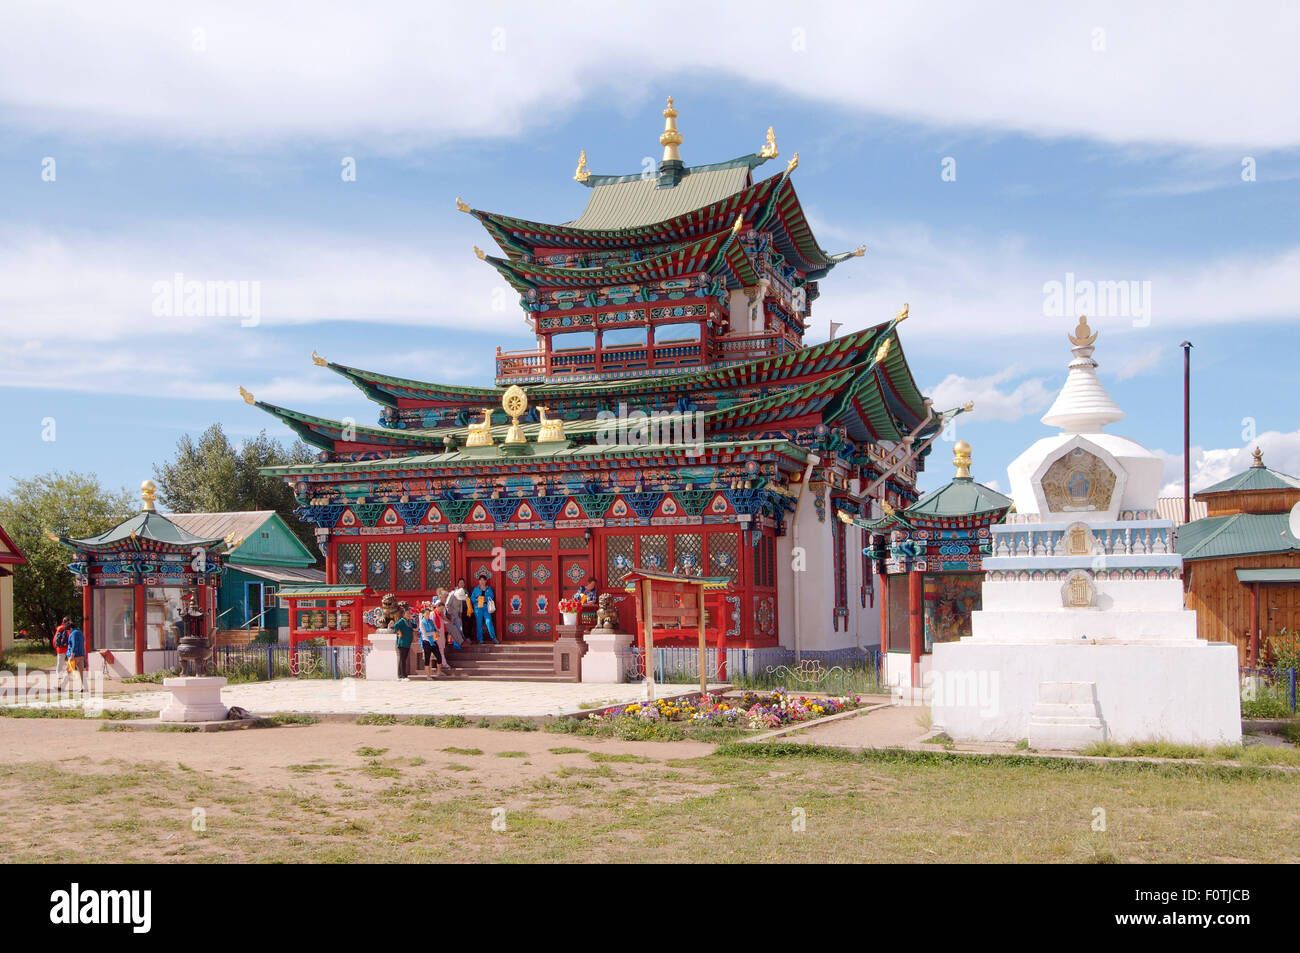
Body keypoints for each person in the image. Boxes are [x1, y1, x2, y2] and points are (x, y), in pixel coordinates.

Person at [470, 572, 498, 644]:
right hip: (478, 607)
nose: (482, 581)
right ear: (479, 581)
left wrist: (484, 598)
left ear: (486, 581)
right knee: (479, 623)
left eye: (483, 580)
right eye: (480, 580)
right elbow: (472, 598)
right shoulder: (476, 589)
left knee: (488, 621)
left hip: (486, 607)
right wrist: (476, 599)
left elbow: (491, 596)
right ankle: (480, 639)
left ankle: (493, 638)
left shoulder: (489, 589)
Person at [419, 605, 444, 677]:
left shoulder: (431, 621)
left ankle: (439, 671)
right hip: (426, 641)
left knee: (439, 656)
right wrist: (433, 633)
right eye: (426, 613)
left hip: (433, 641)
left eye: (428, 613)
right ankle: (428, 675)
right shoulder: (422, 622)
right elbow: (424, 633)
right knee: (427, 658)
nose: (428, 615)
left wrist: (437, 631)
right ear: (423, 614)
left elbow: (435, 628)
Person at [392, 606, 415, 679]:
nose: (408, 615)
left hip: (407, 643)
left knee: (404, 658)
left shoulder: (409, 622)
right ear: (404, 614)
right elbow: (395, 626)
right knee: (402, 659)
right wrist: (399, 632)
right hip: (402, 643)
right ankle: (402, 675)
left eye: (409, 613)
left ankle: (402, 674)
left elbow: (415, 626)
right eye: (407, 613)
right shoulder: (402, 621)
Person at [66, 620, 88, 693]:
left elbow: (74, 645)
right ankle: (84, 687)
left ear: (70, 628)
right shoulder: (80, 632)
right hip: (81, 654)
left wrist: (72, 655)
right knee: (81, 672)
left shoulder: (73, 634)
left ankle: (62, 686)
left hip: (75, 656)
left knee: (68, 670)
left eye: (68, 631)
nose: (68, 632)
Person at [442, 586, 465, 651]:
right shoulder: (452, 595)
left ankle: (460, 641)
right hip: (451, 614)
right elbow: (447, 605)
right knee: (454, 629)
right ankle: (456, 643)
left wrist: (460, 612)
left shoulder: (460, 595)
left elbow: (460, 604)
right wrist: (449, 613)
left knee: (459, 627)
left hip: (457, 613)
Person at [52, 616, 71, 690]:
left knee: (59, 664)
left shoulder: (59, 629)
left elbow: (55, 640)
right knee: (70, 663)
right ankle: (67, 676)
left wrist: (56, 647)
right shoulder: (68, 629)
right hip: (67, 648)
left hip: (60, 649)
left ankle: (59, 679)